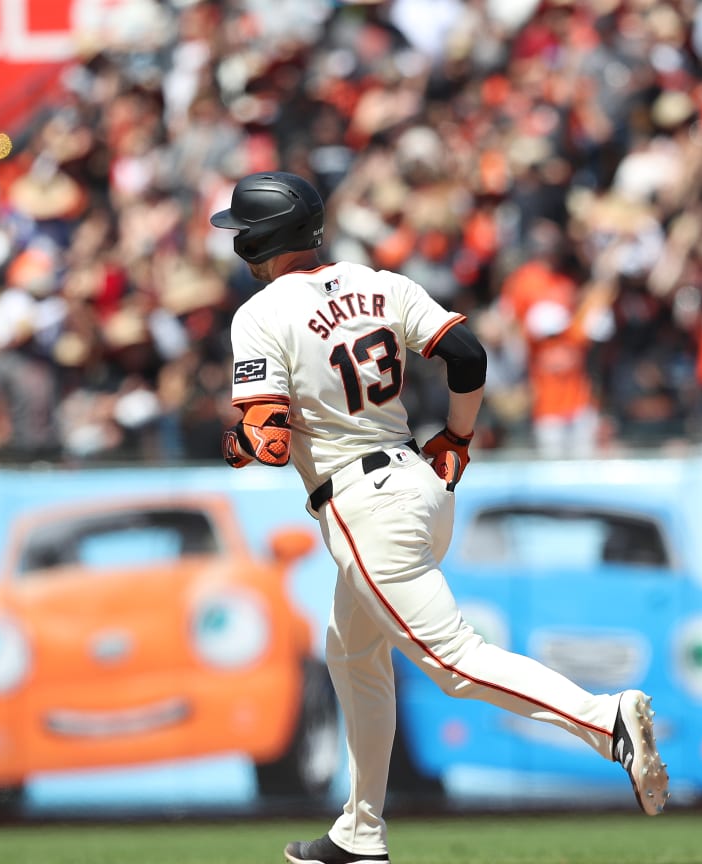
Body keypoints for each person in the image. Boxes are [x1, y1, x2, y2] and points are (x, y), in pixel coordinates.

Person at [210, 172, 668, 864]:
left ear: (255, 241)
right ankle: (360, 832)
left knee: (454, 662)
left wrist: (240, 443)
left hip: (363, 507)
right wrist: (456, 436)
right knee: (353, 651)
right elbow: (466, 354)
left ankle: (606, 722)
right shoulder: (382, 282)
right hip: (421, 484)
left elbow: (270, 444)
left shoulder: (262, 313)